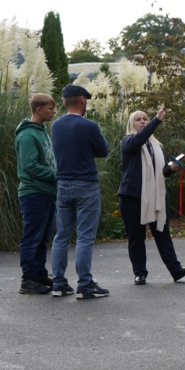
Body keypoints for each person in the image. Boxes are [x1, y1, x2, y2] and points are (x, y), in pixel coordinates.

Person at [119, 106, 185, 285]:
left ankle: (176, 270)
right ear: (131, 124)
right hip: (132, 196)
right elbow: (139, 139)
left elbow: (161, 173)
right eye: (138, 119)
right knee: (136, 236)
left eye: (145, 119)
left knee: (162, 233)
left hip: (156, 196)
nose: (143, 121)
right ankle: (140, 273)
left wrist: (171, 169)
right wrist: (156, 120)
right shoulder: (128, 141)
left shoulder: (156, 146)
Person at [49, 84, 110, 299]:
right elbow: (103, 151)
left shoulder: (55, 125)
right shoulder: (89, 126)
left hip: (62, 184)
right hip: (85, 184)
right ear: (82, 100)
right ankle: (84, 284)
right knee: (84, 237)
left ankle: (58, 283)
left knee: (61, 236)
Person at [15, 93, 58, 295]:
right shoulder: (27, 135)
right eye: (51, 108)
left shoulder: (41, 131)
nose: (54, 112)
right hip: (34, 193)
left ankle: (40, 274)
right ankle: (28, 278)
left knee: (42, 239)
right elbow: (29, 166)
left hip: (46, 193)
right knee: (32, 238)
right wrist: (56, 176)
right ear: (39, 109)